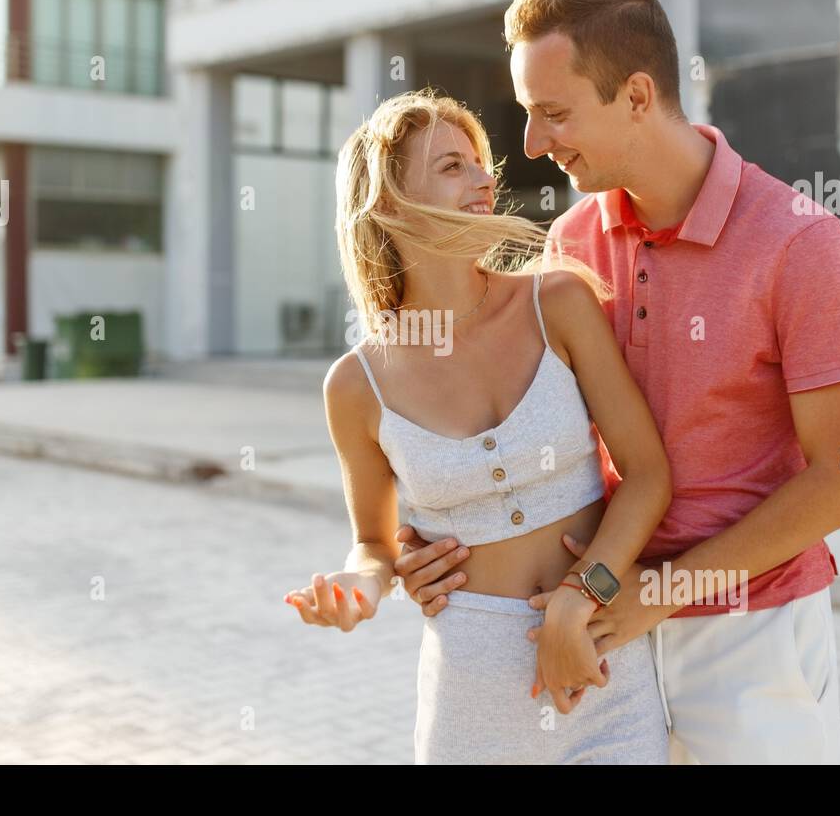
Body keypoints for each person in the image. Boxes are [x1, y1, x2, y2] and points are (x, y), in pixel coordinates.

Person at [394, 0, 840, 764]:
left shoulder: (800, 242)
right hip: (603, 624)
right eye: (526, 115)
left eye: (553, 113)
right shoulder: (571, 244)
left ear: (637, 96)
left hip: (746, 633)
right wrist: (439, 548)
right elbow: (537, 438)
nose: (531, 145)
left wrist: (660, 594)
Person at [285, 87, 672, 764]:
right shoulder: (356, 384)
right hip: (469, 704)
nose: (483, 178)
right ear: (386, 203)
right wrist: (360, 587)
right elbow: (374, 546)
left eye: (477, 161)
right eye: (451, 166)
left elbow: (648, 475)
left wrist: (581, 596)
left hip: (602, 669)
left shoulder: (559, 301)